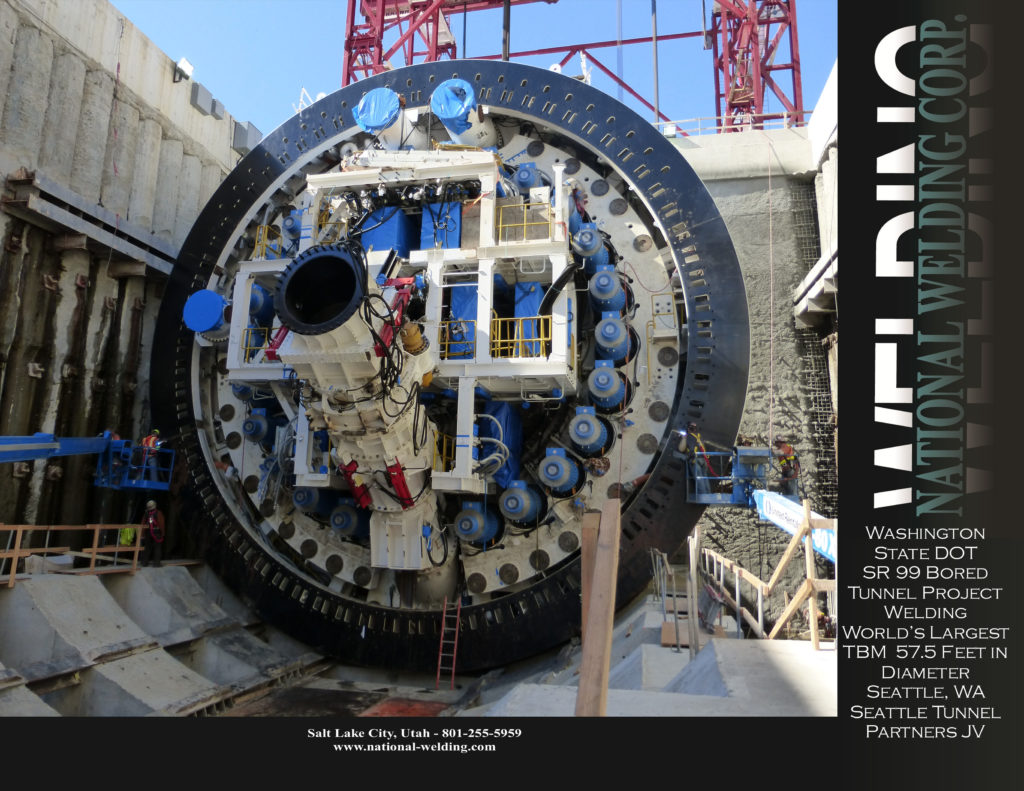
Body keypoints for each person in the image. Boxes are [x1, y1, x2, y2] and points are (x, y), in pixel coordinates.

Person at [140, 500, 165, 567]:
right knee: (157, 548)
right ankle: (156, 563)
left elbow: (143, 523)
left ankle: (144, 563)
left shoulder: (146, 513)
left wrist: (142, 534)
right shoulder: (158, 513)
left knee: (147, 548)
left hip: (148, 532)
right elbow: (161, 524)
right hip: (156, 532)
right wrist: (163, 533)